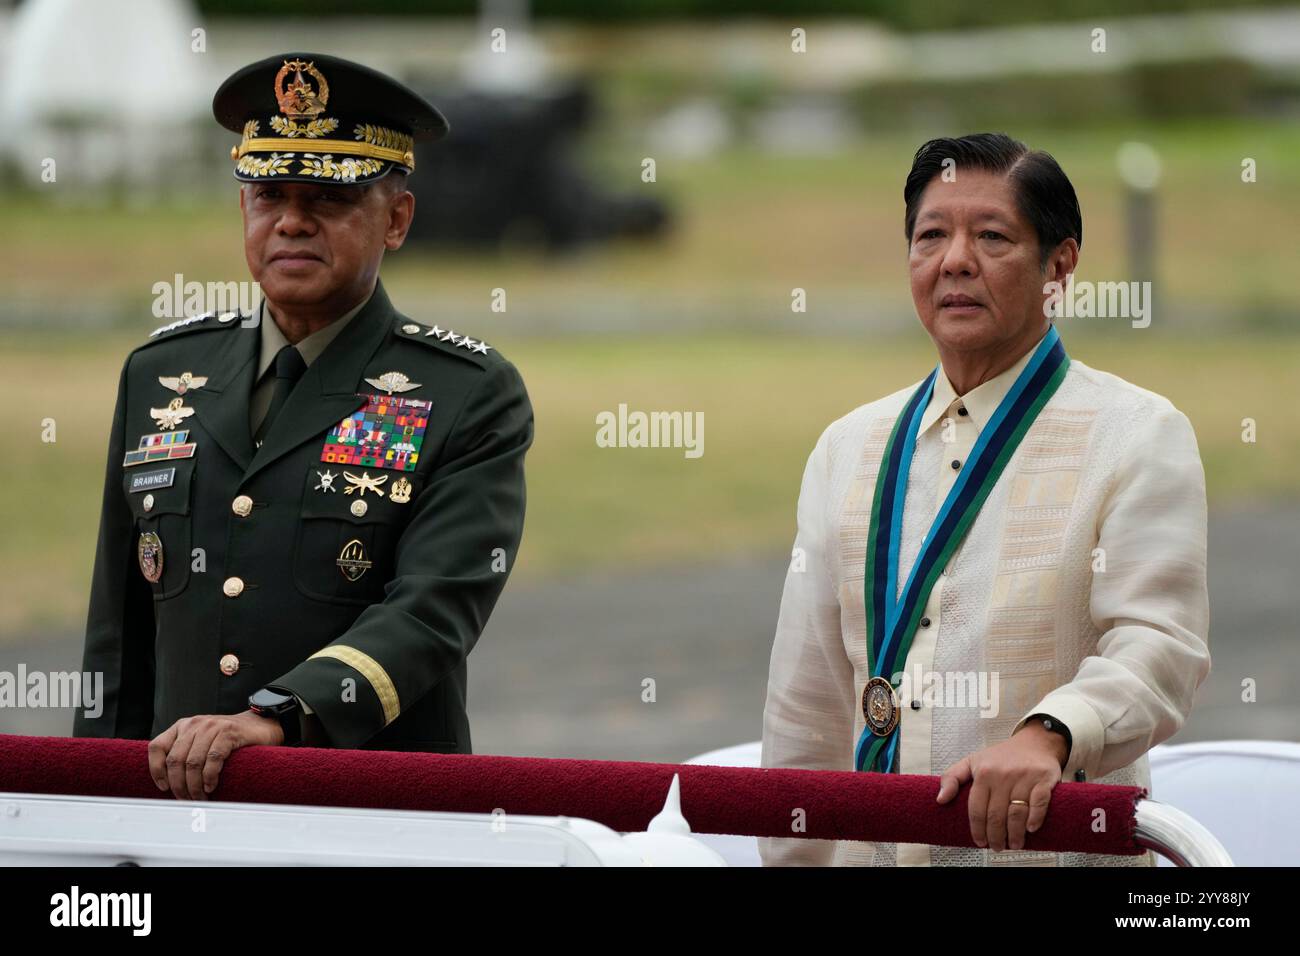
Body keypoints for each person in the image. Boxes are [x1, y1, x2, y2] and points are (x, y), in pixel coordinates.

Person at [74, 53, 534, 802]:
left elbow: (434, 610)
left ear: (398, 220)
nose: (291, 220)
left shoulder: (466, 393)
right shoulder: (162, 373)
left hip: (373, 814)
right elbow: (118, 635)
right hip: (178, 816)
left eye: (328, 195)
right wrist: (93, 803)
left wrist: (281, 715)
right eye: (268, 195)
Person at [759, 133, 1210, 866]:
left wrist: (1052, 733)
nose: (954, 260)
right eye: (931, 235)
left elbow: (1163, 647)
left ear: (1059, 267)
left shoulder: (1136, 434)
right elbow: (805, 705)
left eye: (991, 236)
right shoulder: (847, 447)